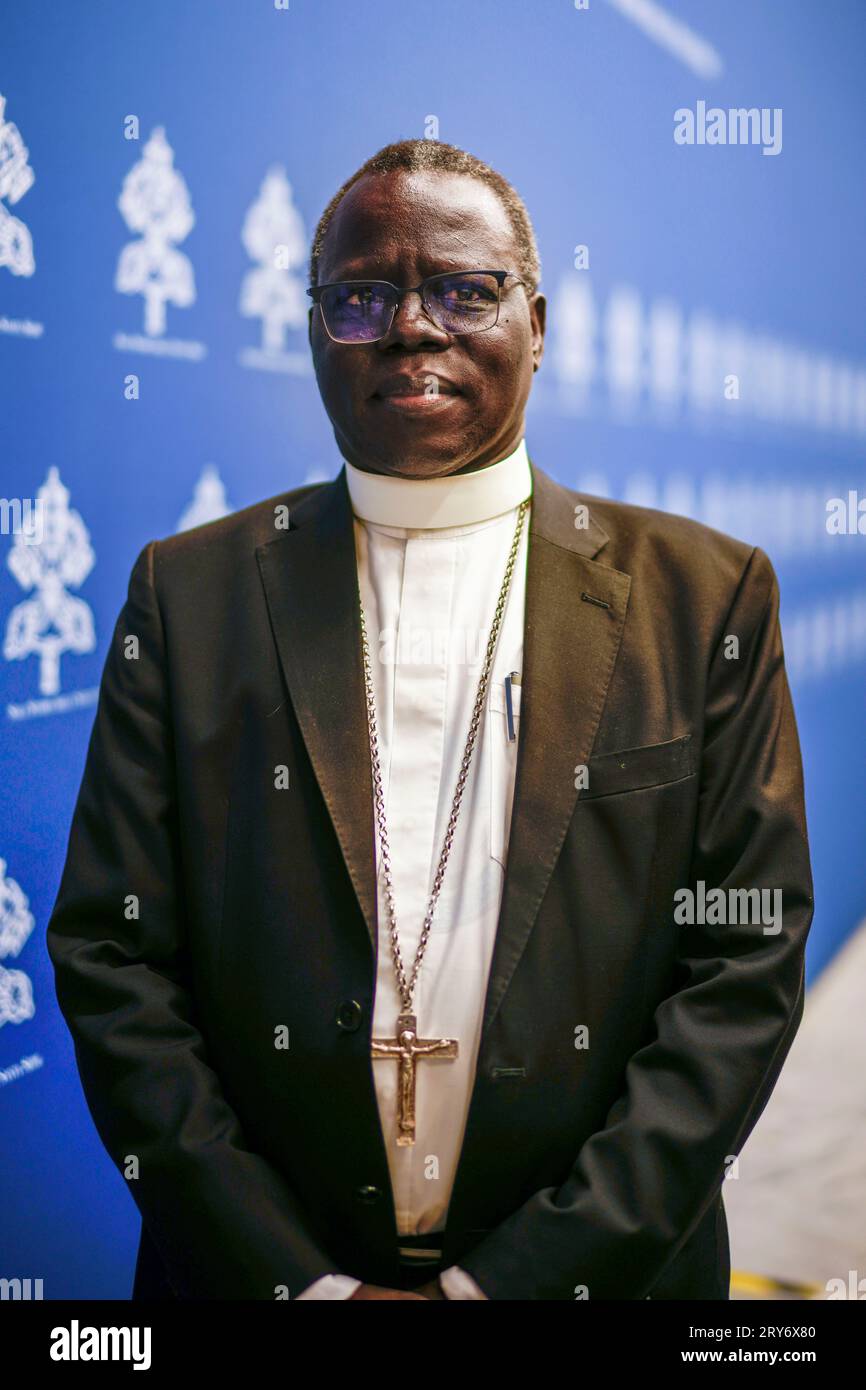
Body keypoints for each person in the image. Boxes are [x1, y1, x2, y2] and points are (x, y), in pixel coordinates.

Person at [47, 138, 813, 1301]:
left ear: (538, 324)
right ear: (313, 329)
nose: (412, 327)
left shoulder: (701, 595)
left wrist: (513, 1285)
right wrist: (300, 1285)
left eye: (465, 290)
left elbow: (741, 964)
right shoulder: (188, 594)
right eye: (361, 297)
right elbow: (113, 958)